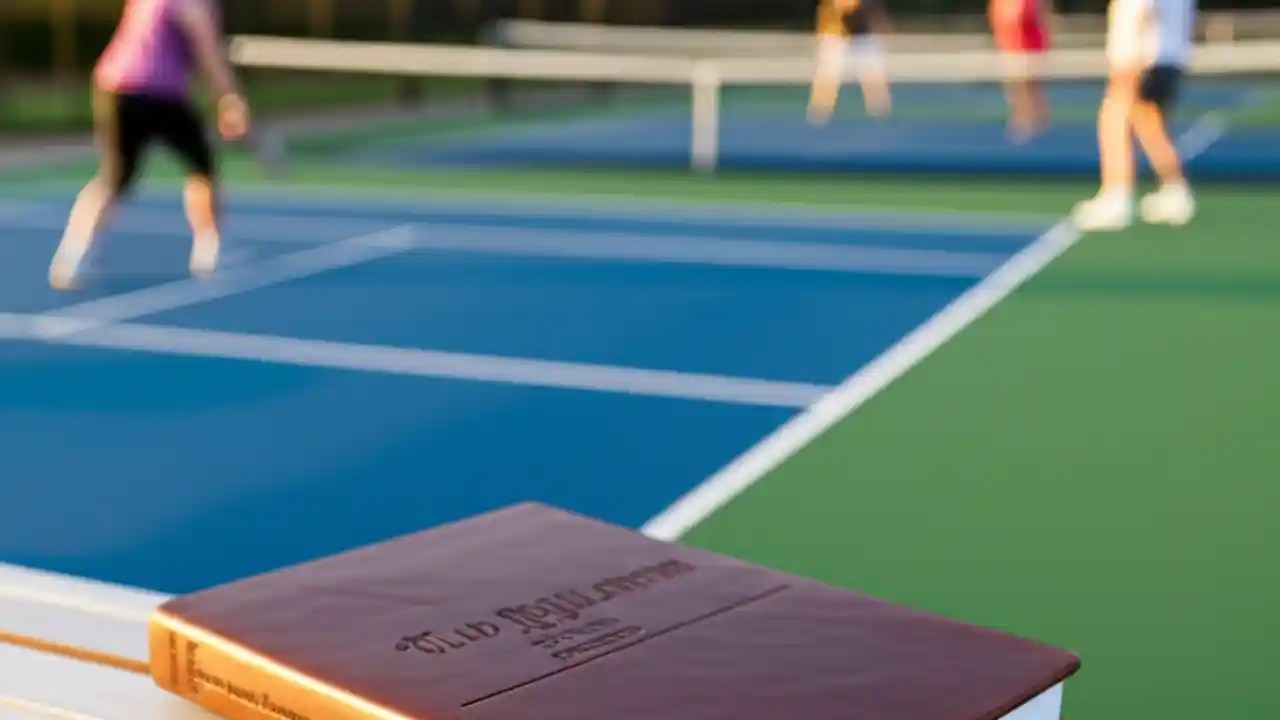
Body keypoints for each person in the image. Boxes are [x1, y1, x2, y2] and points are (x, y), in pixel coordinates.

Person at [49, 0, 250, 291]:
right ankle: (210, 250)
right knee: (199, 167)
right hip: (151, 94)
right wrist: (230, 99)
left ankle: (73, 255)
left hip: (115, 88)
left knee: (119, 176)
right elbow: (208, 51)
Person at [1071, 0, 1197, 231]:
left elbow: (1143, 10)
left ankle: (1116, 197)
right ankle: (1175, 191)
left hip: (1142, 58)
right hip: (1168, 57)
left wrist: (1132, 60)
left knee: (1114, 119)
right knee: (1149, 125)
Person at [808, 0, 893, 124]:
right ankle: (819, 116)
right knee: (827, 78)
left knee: (874, 79)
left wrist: (882, 24)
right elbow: (843, 5)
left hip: (863, 35)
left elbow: (873, 9)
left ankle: (880, 117)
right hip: (836, 36)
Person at [989, 0, 1053, 142]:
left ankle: (1036, 124)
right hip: (1012, 50)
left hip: (1029, 52)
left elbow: (1037, 19)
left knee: (1030, 88)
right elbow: (1001, 21)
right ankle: (1023, 122)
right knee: (1017, 88)